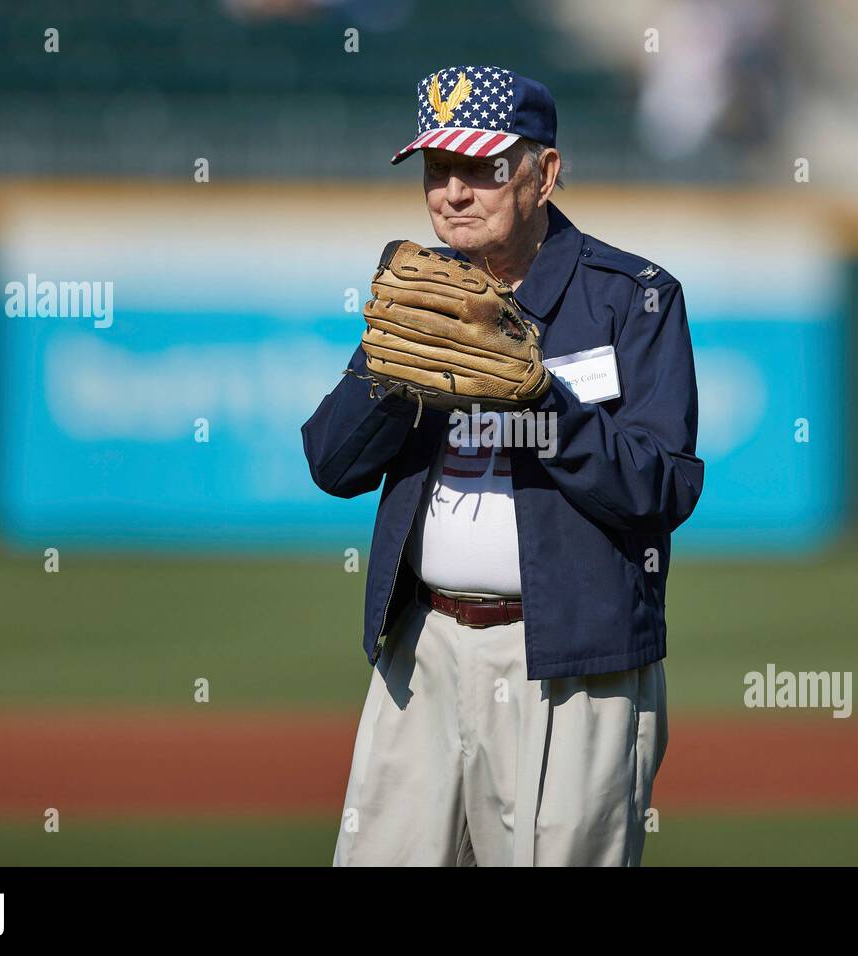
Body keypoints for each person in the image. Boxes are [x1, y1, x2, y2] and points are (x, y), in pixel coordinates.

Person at [301, 65, 704, 866]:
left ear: (544, 173)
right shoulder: (421, 298)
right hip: (423, 651)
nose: (454, 192)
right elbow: (331, 463)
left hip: (568, 664)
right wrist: (388, 375)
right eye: (436, 169)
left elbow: (664, 486)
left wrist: (543, 402)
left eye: (483, 168)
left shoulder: (633, 297)